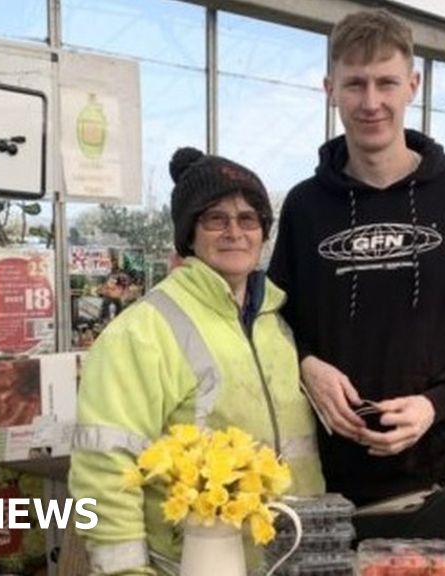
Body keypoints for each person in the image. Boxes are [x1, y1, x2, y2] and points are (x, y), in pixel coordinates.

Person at [268, 8, 445, 505]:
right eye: (355, 84)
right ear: (330, 89)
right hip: (324, 483)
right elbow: (272, 324)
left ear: (412, 85)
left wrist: (436, 404)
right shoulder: (305, 207)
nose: (371, 102)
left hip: (440, 478)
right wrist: (303, 364)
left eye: (386, 83)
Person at [70, 147, 325, 575]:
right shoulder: (143, 331)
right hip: (194, 565)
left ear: (264, 233)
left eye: (248, 219)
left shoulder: (276, 325)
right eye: (215, 219)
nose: (234, 232)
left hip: (287, 559)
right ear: (189, 234)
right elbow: (104, 466)